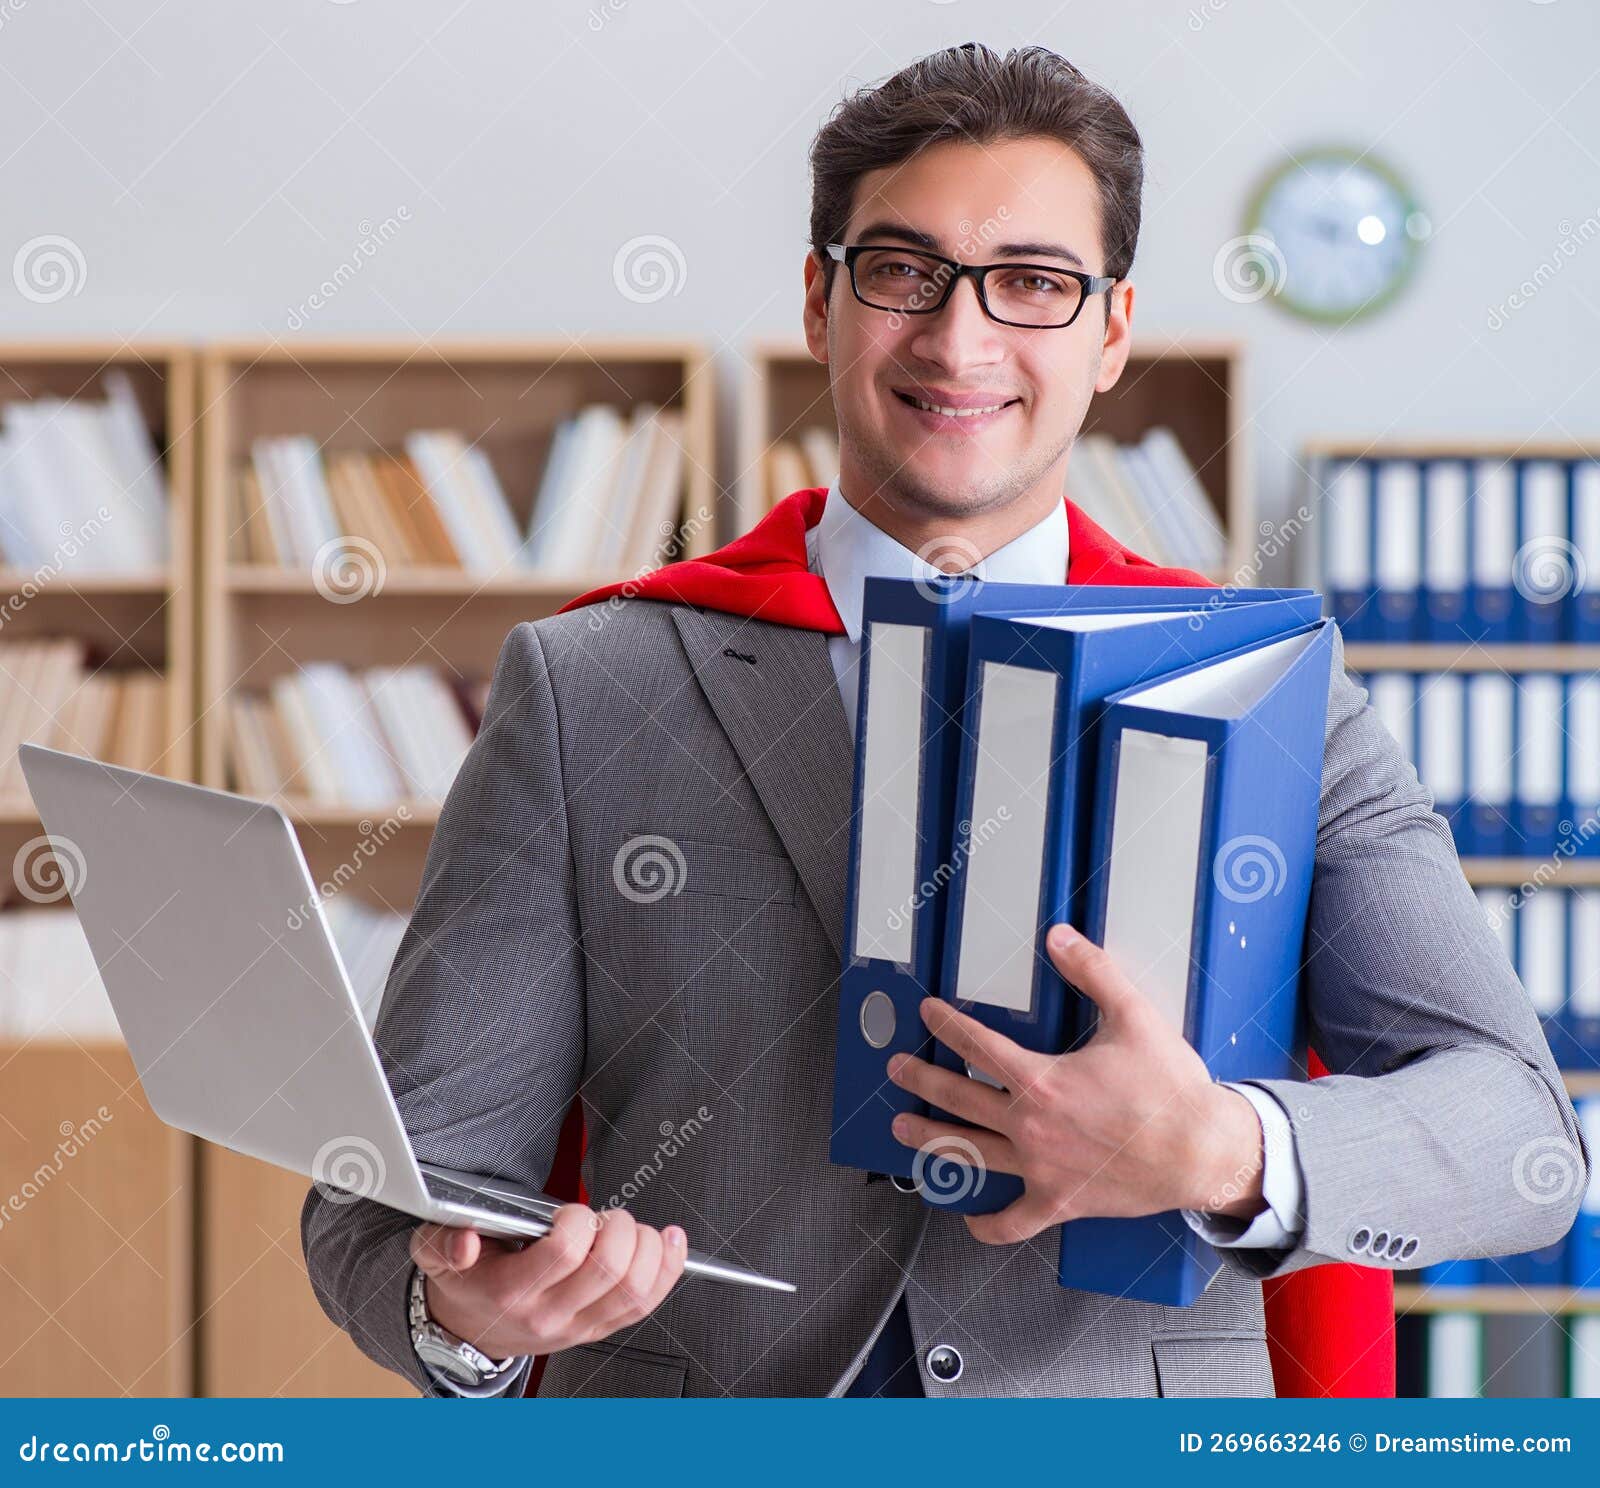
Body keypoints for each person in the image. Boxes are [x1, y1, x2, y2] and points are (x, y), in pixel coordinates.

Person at [302, 43, 1585, 1398]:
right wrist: (472, 1316)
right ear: (822, 302)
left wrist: (1221, 1148)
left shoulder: (1273, 692)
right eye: (903, 272)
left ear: (1112, 330)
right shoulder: (593, 688)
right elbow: (386, 1205)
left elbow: (1516, 1140)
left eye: (1032, 283)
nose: (959, 341)